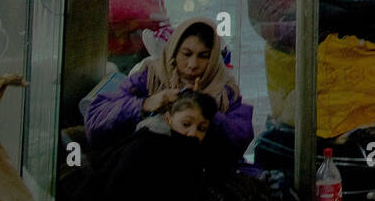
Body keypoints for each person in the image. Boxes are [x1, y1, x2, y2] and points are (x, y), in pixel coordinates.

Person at [64, 90, 218, 201]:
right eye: (186, 124)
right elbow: (117, 191)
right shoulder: (146, 145)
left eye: (201, 128)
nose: (192, 133)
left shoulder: (191, 155)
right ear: (168, 119)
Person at [84, 17, 254, 160]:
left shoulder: (224, 90)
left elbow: (239, 142)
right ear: (173, 52)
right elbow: (95, 122)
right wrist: (146, 104)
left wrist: (203, 109)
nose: (193, 65)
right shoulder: (149, 77)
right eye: (186, 54)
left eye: (204, 56)